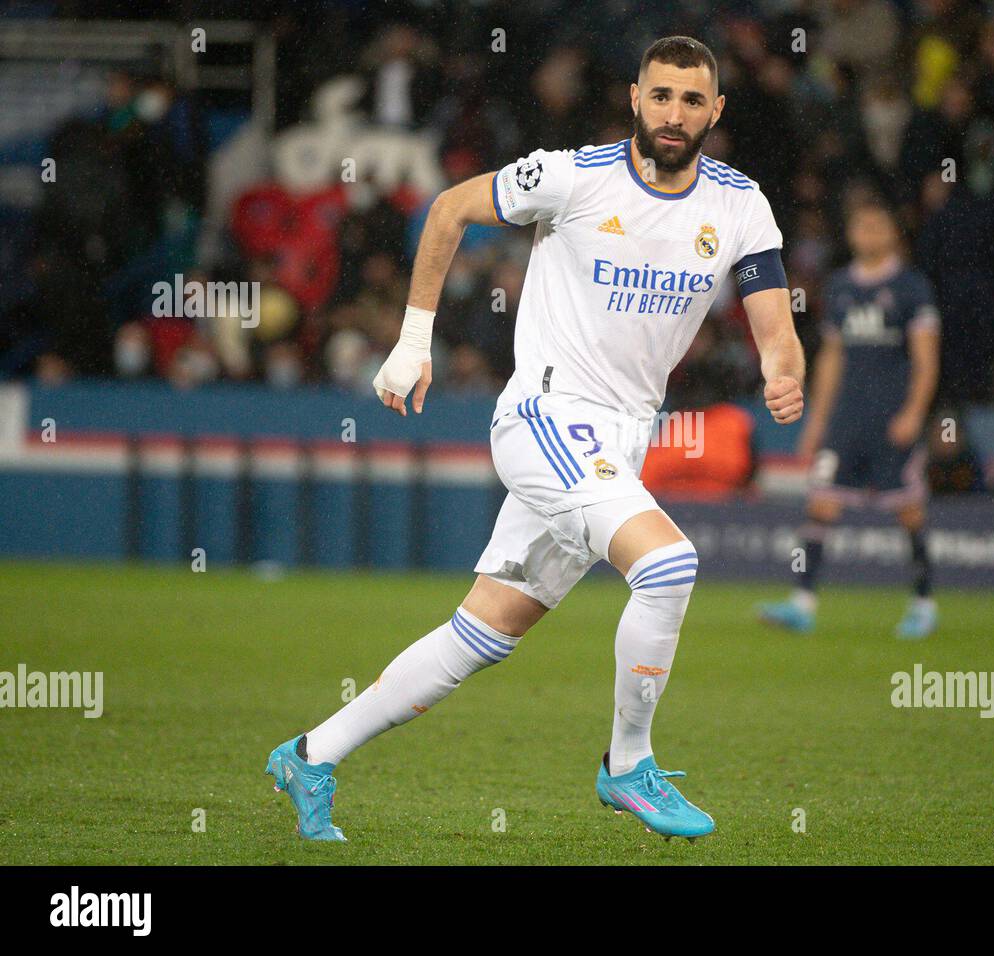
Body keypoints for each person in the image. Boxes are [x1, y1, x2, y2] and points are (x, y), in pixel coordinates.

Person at [264, 36, 805, 842]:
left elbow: (774, 318)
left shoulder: (739, 202)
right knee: (667, 564)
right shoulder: (573, 175)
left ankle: (312, 752)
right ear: (634, 97)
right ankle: (628, 767)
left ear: (716, 111)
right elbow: (448, 207)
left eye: (692, 100)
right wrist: (414, 343)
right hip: (547, 419)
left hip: (616, 445)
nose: (674, 113)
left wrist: (781, 367)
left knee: (482, 634)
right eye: (660, 95)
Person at [757, 201, 940, 639]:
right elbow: (832, 360)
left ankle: (923, 603)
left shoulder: (912, 288)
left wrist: (914, 413)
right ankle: (802, 603)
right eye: (861, 223)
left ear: (893, 233)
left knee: (909, 513)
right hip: (846, 421)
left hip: (891, 419)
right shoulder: (839, 287)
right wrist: (816, 422)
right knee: (820, 505)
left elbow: (926, 359)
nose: (869, 232)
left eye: (877, 223)